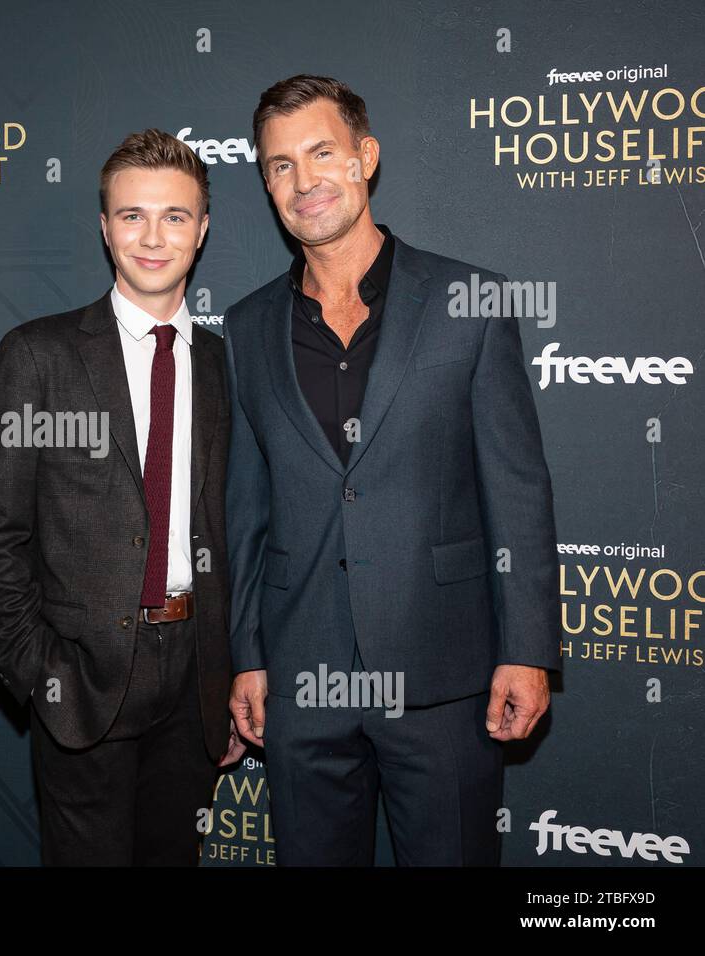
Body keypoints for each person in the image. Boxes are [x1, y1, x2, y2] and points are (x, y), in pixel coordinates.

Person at [224, 75, 561, 865]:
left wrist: (529, 647)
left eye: (321, 153)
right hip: (301, 684)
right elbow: (244, 509)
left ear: (365, 158)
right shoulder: (244, 328)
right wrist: (246, 653)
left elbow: (517, 487)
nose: (303, 182)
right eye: (279, 165)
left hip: (445, 677)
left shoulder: (469, 300)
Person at [0, 129, 240, 866]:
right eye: (132, 215)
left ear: (203, 228)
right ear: (104, 226)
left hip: (195, 677)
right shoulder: (40, 355)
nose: (153, 237)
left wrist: (230, 668)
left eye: (175, 216)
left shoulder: (218, 361)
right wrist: (37, 666)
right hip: (82, 678)